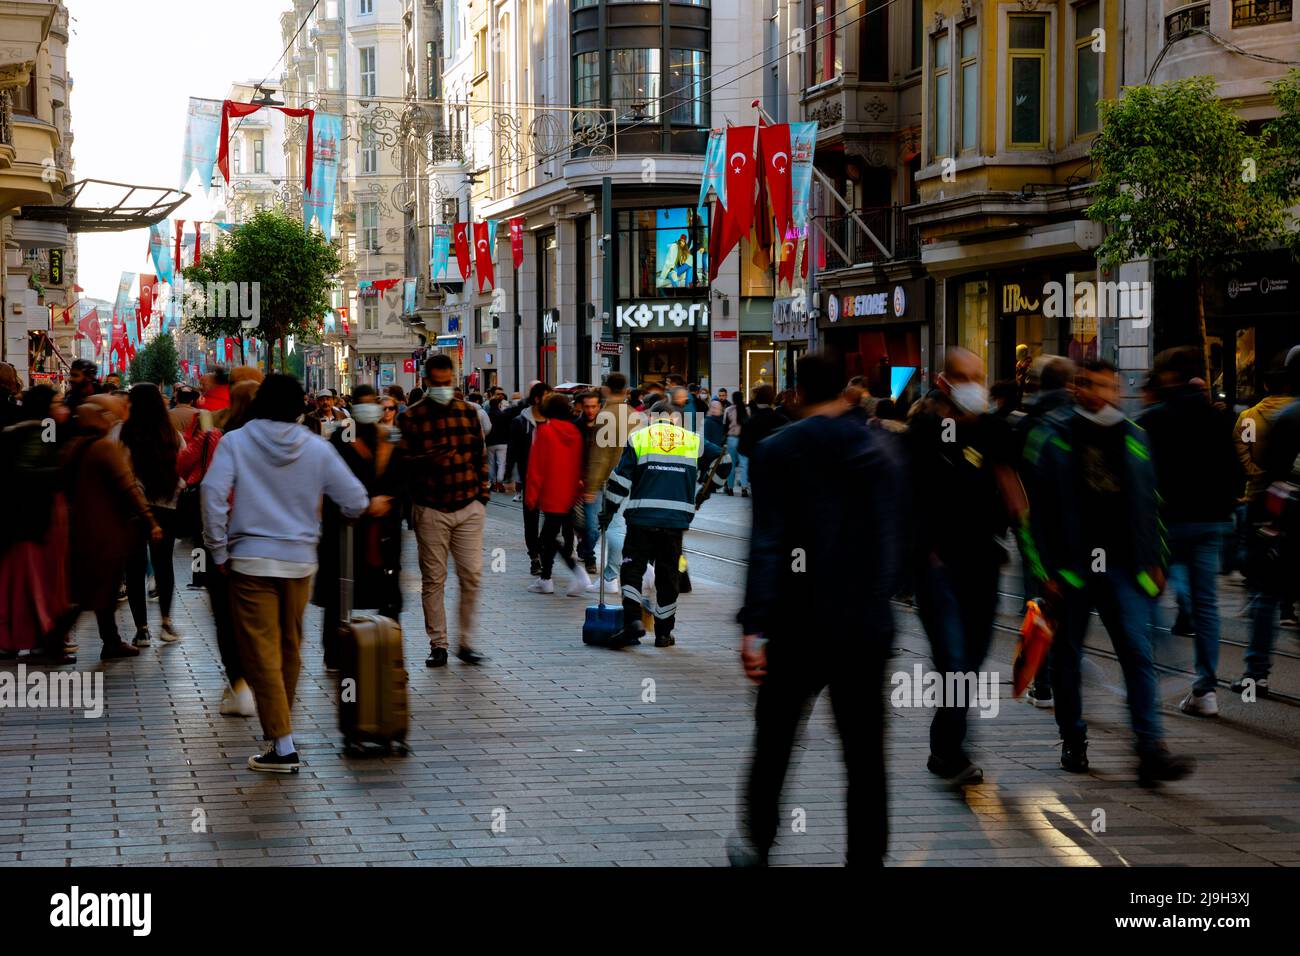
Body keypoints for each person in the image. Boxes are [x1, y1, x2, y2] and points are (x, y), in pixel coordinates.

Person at [731, 354, 905, 867]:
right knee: (866, 758)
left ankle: (758, 844)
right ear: (847, 393)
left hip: (796, 623)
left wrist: (753, 626)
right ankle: (866, 861)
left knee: (776, 743)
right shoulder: (882, 449)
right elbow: (896, 541)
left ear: (797, 392)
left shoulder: (776, 451)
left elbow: (767, 544)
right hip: (864, 627)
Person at [1023, 358, 1195, 785]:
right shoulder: (1053, 437)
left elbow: (1151, 502)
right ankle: (1073, 739)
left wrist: (1157, 559)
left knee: (1137, 655)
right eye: (1095, 385)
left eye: (1111, 387)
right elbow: (1032, 512)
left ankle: (1149, 749)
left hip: (1125, 568)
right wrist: (1043, 570)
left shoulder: (1134, 436)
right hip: (1072, 571)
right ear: (1079, 387)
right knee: (1067, 657)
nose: (1105, 394)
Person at [201, 374, 379, 772]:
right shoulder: (315, 447)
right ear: (300, 406)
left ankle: (282, 744)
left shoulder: (236, 442)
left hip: (249, 559)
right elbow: (355, 499)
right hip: (299, 562)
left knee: (260, 650)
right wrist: (346, 515)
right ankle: (281, 737)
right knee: (289, 647)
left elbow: (212, 494)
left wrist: (218, 549)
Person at [904, 347, 1025, 786]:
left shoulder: (995, 430)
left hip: (983, 562)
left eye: (978, 376)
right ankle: (951, 753)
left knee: (970, 661)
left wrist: (1039, 565)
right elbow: (905, 498)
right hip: (935, 567)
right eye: (963, 377)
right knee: (954, 660)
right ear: (943, 381)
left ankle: (943, 748)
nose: (973, 386)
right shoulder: (922, 430)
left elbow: (1014, 496)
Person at [1139, 347, 1240, 717]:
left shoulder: (1152, 420)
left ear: (1167, 377)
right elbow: (1234, 471)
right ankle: (1205, 690)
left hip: (1166, 523)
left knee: (1147, 595)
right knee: (1207, 604)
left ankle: (1159, 672)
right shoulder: (1220, 418)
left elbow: (1141, 479)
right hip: (1211, 522)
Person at [598, 399, 729, 647]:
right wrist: (706, 492)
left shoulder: (639, 439)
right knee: (668, 575)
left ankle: (633, 621)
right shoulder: (693, 441)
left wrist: (608, 510)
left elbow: (620, 480)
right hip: (675, 521)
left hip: (641, 518)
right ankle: (663, 633)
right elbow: (724, 462)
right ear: (675, 419)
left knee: (632, 568)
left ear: (650, 417)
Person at [399, 355, 491, 668]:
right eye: (436, 383)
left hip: (468, 505)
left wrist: (483, 496)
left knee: (472, 576)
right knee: (433, 580)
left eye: (447, 383)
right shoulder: (411, 418)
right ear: (426, 382)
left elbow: (481, 456)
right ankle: (438, 644)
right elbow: (403, 463)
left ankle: (465, 642)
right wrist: (430, 459)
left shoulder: (469, 413)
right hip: (430, 508)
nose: (442, 388)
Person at [63, 395, 162, 660]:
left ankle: (111, 641)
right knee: (97, 590)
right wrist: (149, 519)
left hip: (80, 528)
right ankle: (56, 636)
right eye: (104, 415)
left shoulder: (75, 446)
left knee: (99, 590)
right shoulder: (104, 448)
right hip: (107, 530)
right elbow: (127, 486)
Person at [315, 385, 405, 671]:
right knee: (340, 592)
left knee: (388, 593)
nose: (369, 409)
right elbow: (330, 484)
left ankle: (387, 647)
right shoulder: (342, 438)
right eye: (363, 404)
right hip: (346, 529)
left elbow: (404, 479)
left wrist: (389, 501)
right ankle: (334, 651)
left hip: (381, 531)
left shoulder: (390, 438)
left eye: (373, 404)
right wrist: (364, 504)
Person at [1233, 345, 1300, 696]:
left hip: (1281, 519)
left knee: (1265, 596)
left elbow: (1268, 472)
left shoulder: (1281, 418)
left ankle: (1256, 674)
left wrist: (1264, 522)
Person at [1012, 355, 1076, 708]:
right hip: (1075, 534)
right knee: (1071, 607)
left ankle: (1043, 681)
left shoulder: (1025, 424)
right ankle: (1066, 681)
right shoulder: (1080, 421)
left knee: (1038, 603)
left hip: (1034, 530)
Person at [0, 386, 73, 660]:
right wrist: (65, 469)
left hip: (22, 517)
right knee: (40, 579)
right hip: (39, 515)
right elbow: (28, 470)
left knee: (19, 579)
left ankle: (14, 637)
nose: (62, 406)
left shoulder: (17, 427)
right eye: (57, 401)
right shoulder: (45, 428)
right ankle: (42, 637)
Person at [120, 384, 186, 647]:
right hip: (166, 506)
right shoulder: (172, 435)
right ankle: (166, 622)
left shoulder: (123, 433)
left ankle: (142, 629)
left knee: (134, 567)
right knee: (163, 564)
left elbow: (123, 473)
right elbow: (182, 469)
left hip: (134, 508)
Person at [525, 392, 592, 595]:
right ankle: (546, 578)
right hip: (570, 491)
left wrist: (531, 496)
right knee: (550, 536)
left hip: (551, 491)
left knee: (547, 538)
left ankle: (575, 573)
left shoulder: (544, 431)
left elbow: (536, 467)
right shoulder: (574, 431)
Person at [506, 382, 552, 570]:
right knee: (531, 517)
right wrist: (509, 475)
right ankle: (534, 555)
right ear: (536, 399)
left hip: (551, 477)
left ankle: (543, 547)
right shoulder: (520, 422)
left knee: (553, 519)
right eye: (547, 397)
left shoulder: (554, 421)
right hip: (529, 477)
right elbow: (513, 450)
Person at [574, 391, 603, 574]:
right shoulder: (576, 427)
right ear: (581, 407)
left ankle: (586, 550)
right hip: (580, 482)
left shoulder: (605, 426)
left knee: (595, 526)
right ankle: (589, 554)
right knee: (586, 524)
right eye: (587, 406)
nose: (590, 410)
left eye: (594, 406)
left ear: (599, 406)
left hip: (600, 482)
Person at [737, 385, 788, 488]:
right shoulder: (782, 420)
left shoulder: (750, 422)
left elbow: (743, 449)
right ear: (772, 399)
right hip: (779, 470)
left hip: (757, 470)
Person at [723, 392, 751, 496]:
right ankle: (744, 488)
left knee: (732, 465)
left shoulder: (728, 410)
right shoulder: (747, 410)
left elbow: (725, 427)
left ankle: (730, 488)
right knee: (744, 464)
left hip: (731, 439)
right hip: (743, 439)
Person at [486, 393, 513, 492]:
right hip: (502, 441)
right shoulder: (503, 415)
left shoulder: (487, 415)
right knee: (501, 463)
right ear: (499, 404)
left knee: (491, 463)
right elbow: (508, 428)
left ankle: (492, 483)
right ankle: (500, 482)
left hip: (490, 441)